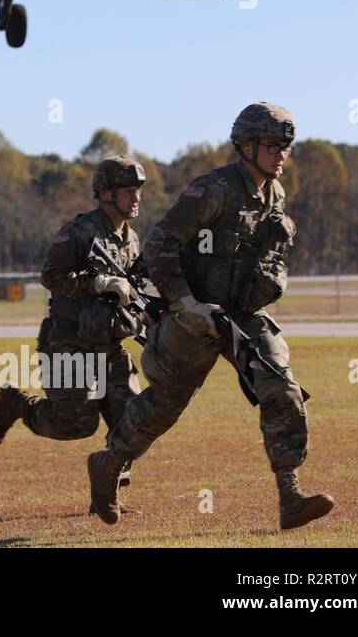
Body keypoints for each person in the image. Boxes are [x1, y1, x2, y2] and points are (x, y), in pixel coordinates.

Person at [87, 103, 334, 530]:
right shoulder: (213, 189)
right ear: (246, 146)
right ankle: (109, 464)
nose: (280, 154)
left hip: (244, 314)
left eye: (285, 147)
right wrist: (186, 302)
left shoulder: (274, 192)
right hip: (196, 315)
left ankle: (289, 494)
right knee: (164, 406)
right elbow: (160, 245)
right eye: (272, 145)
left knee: (282, 387)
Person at [0, 156, 146, 495]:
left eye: (138, 191)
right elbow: (52, 276)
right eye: (128, 191)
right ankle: (17, 404)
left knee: (132, 419)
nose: (136, 198)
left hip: (110, 345)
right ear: (106, 193)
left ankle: (108, 490)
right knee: (74, 424)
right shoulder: (80, 231)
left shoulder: (130, 239)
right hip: (68, 341)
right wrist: (95, 284)